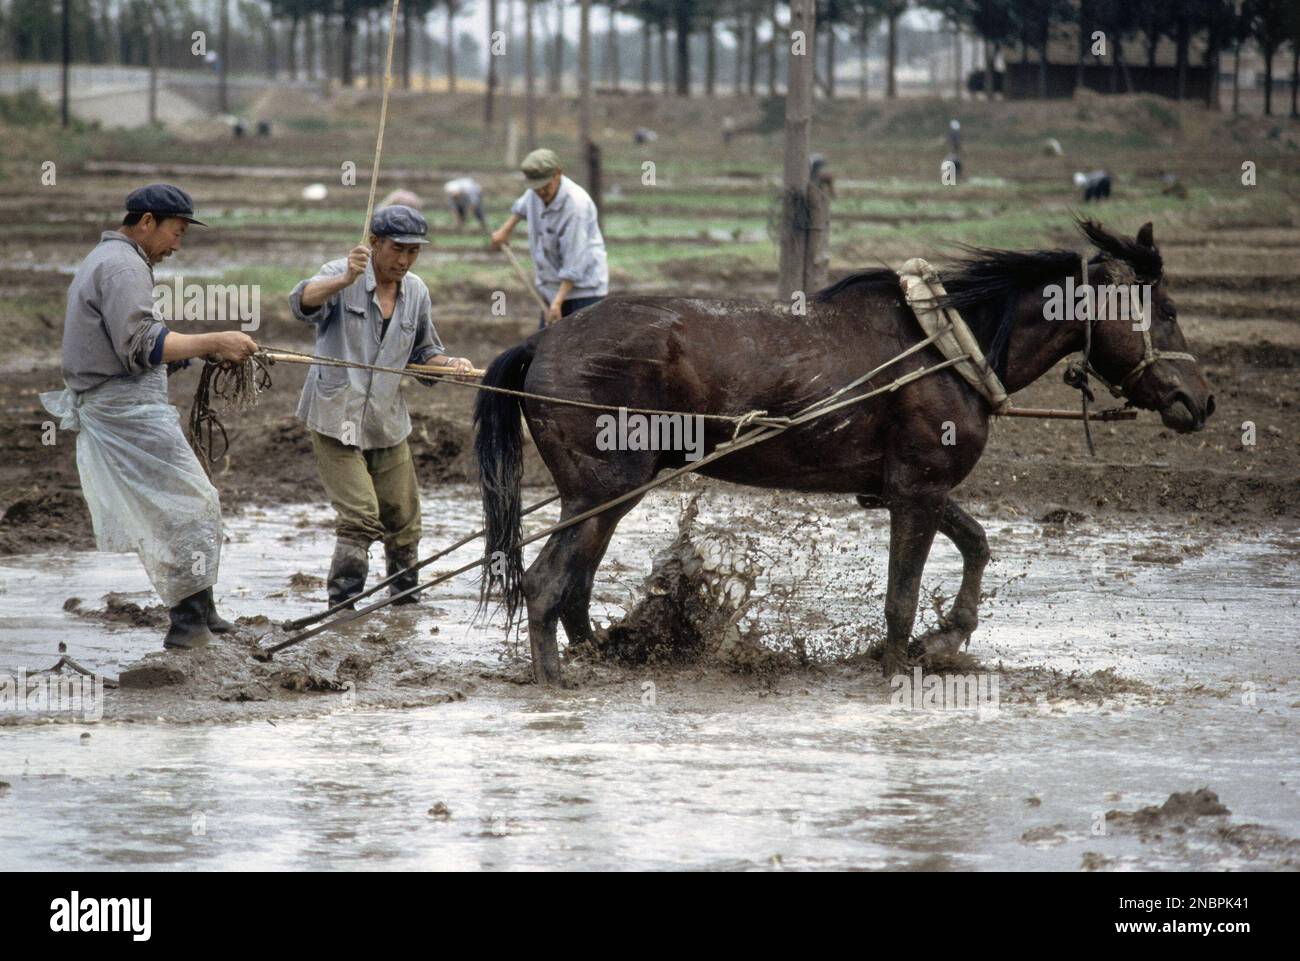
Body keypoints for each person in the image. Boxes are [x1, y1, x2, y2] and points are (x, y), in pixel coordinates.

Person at [40, 184, 259, 651]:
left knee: (183, 503)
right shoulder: (123, 266)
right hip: (126, 411)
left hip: (123, 403)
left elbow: (135, 347)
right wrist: (213, 340)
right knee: (190, 505)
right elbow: (142, 343)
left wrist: (184, 356)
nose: (177, 246)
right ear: (146, 222)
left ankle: (204, 613)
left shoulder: (112, 260)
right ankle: (188, 627)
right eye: (176, 233)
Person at [289, 205, 475, 609]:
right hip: (336, 417)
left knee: (404, 520)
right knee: (359, 516)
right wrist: (343, 279)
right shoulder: (342, 273)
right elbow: (301, 303)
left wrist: (451, 366)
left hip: (386, 421)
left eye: (414, 251)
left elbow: (426, 353)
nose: (404, 260)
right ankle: (343, 607)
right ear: (374, 243)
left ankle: (405, 604)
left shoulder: (417, 293)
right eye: (396, 249)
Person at [489, 148, 609, 329]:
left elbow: (574, 263)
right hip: (552, 289)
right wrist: (505, 230)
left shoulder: (576, 206)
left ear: (558, 174)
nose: (541, 192)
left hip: (583, 293)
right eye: (536, 188)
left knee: (578, 351)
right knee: (546, 350)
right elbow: (521, 207)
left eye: (545, 186)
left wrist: (557, 303)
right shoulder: (535, 192)